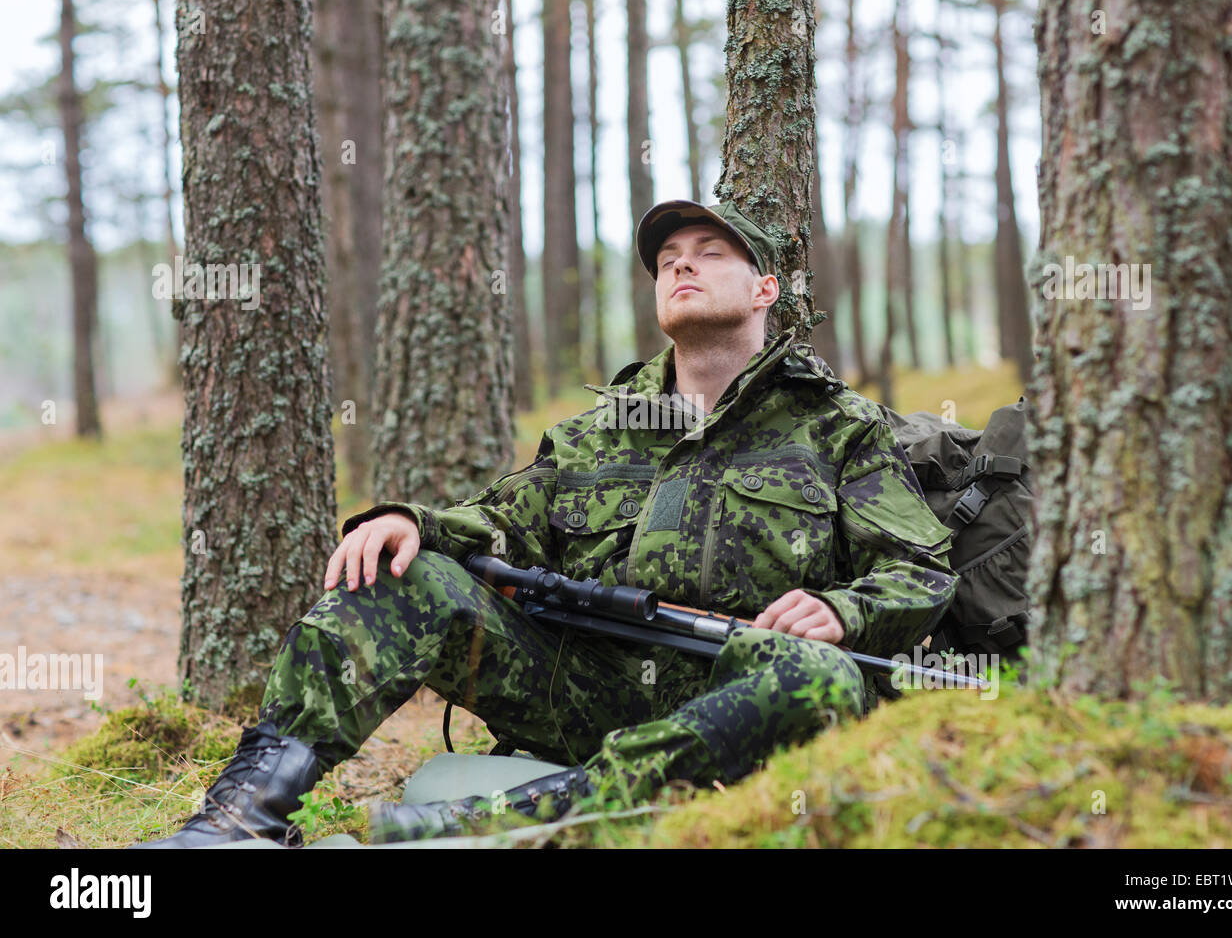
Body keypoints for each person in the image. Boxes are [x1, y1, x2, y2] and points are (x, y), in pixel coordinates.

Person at [133, 198, 958, 848]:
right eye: (668, 262)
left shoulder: (837, 427)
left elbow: (921, 567)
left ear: (766, 290)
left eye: (709, 255)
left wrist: (843, 611)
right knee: (405, 569)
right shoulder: (597, 433)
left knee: (824, 679)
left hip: (742, 698)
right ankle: (240, 821)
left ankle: (514, 822)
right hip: (588, 691)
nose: (682, 268)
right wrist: (407, 519)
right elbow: (498, 525)